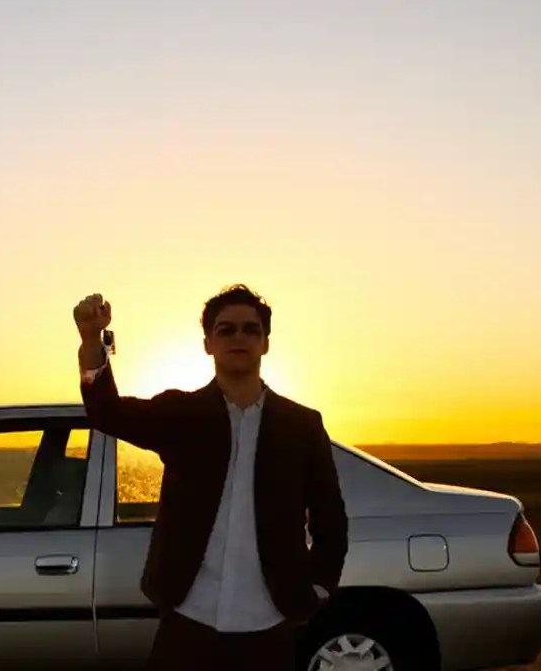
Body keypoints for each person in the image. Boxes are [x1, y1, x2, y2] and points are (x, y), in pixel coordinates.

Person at [72, 285, 349, 670]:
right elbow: (107, 413)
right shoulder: (182, 414)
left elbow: (329, 516)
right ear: (208, 343)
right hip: (188, 621)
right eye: (226, 329)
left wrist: (318, 588)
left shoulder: (301, 425)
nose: (239, 337)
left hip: (269, 625)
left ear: (266, 343)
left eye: (251, 330)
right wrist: (91, 341)